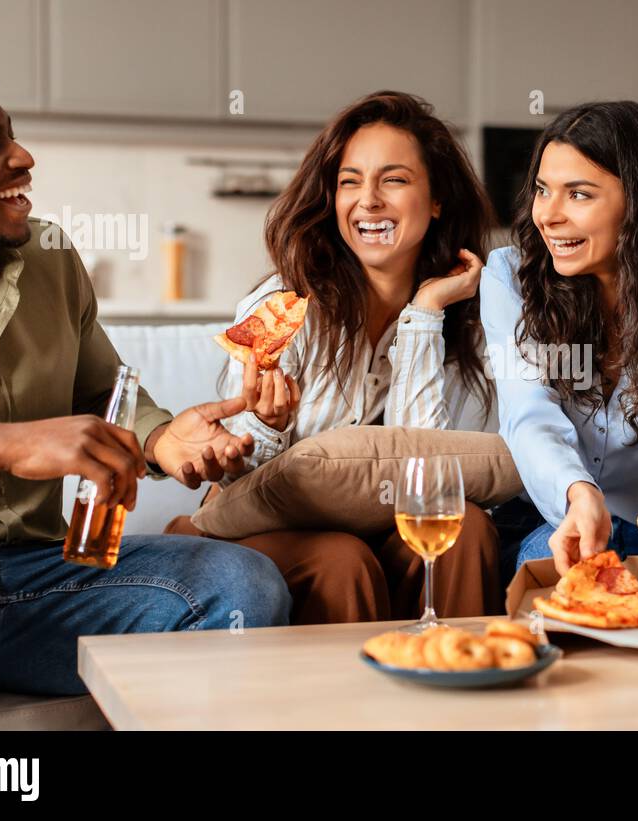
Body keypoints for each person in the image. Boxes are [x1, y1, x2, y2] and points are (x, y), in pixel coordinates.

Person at [0, 52, 290, 730]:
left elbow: (105, 391)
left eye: (12, 134)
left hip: (49, 583)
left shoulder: (47, 256)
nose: (23, 158)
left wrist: (164, 437)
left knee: (241, 583)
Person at [166, 91, 503, 621]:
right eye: (350, 181)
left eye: (393, 179)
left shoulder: (472, 322)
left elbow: (428, 467)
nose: (367, 200)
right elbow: (238, 482)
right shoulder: (281, 308)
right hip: (275, 537)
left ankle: (459, 684)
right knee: (341, 559)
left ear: (436, 200)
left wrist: (425, 314)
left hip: (390, 538)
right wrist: (268, 425)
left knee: (465, 525)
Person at [482, 100, 638, 578]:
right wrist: (578, 493)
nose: (549, 216)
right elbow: (528, 410)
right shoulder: (508, 278)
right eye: (543, 190)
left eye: (578, 195)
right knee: (559, 566)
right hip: (548, 517)